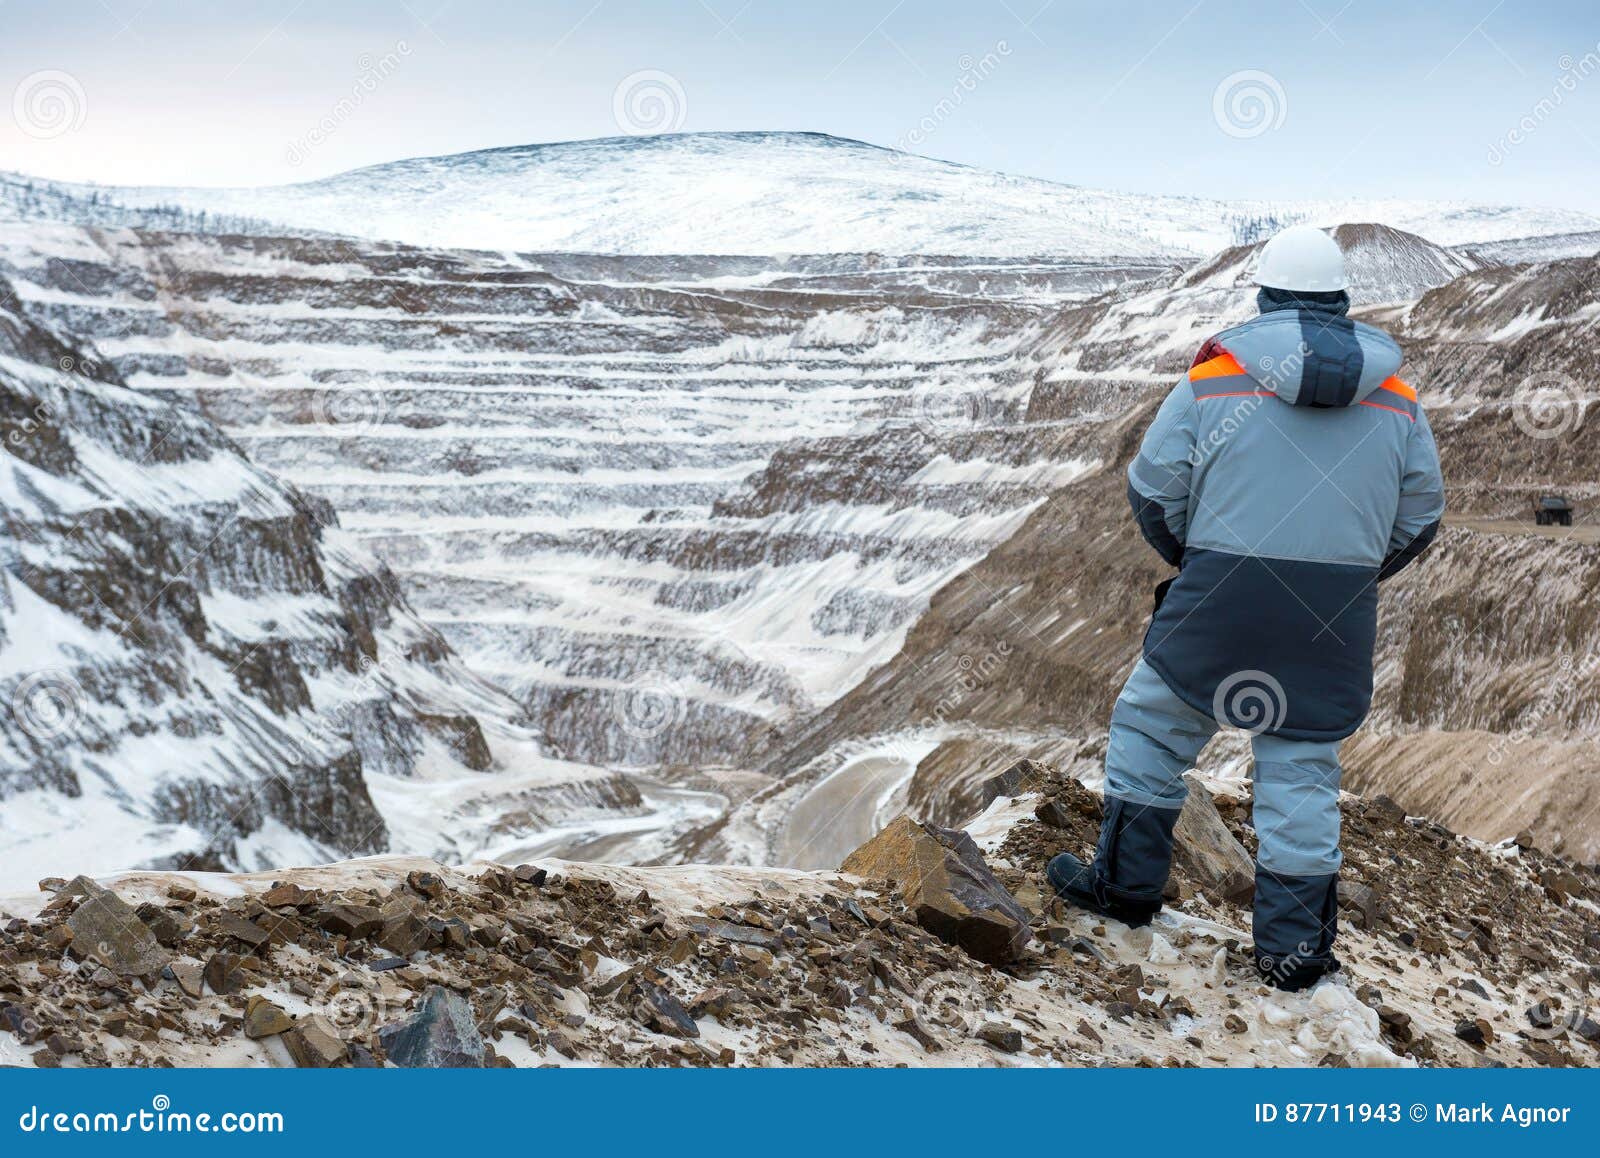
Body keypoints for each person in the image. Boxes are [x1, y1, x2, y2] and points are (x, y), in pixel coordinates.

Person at [1047, 224, 1446, 991]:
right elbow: (1420, 516)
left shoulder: (1216, 376)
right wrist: (1350, 575)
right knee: (1299, 774)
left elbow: (1154, 489)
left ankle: (1126, 891)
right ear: (1340, 301)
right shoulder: (1398, 396)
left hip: (1220, 599)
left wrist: (1201, 562)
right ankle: (1292, 958)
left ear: (1264, 298)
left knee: (1151, 728)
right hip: (1329, 619)